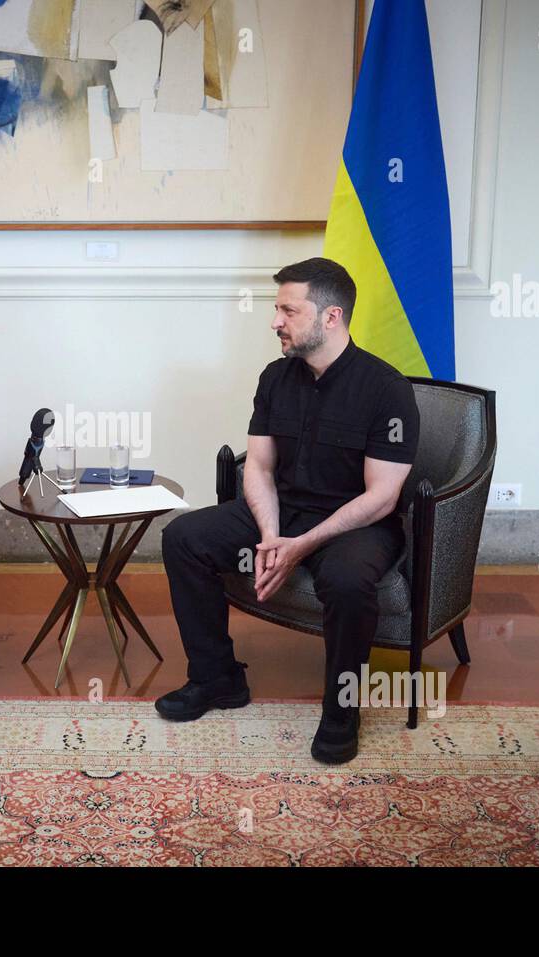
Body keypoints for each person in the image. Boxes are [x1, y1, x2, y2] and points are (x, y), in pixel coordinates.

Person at [155, 257, 419, 764]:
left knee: (346, 581)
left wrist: (300, 547)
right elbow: (257, 466)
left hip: (356, 523)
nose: (275, 321)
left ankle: (342, 708)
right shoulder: (275, 377)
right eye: (277, 309)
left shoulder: (387, 390)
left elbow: (382, 497)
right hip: (284, 512)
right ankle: (216, 678)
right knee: (183, 537)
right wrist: (272, 533)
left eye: (288, 310)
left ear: (330, 317)